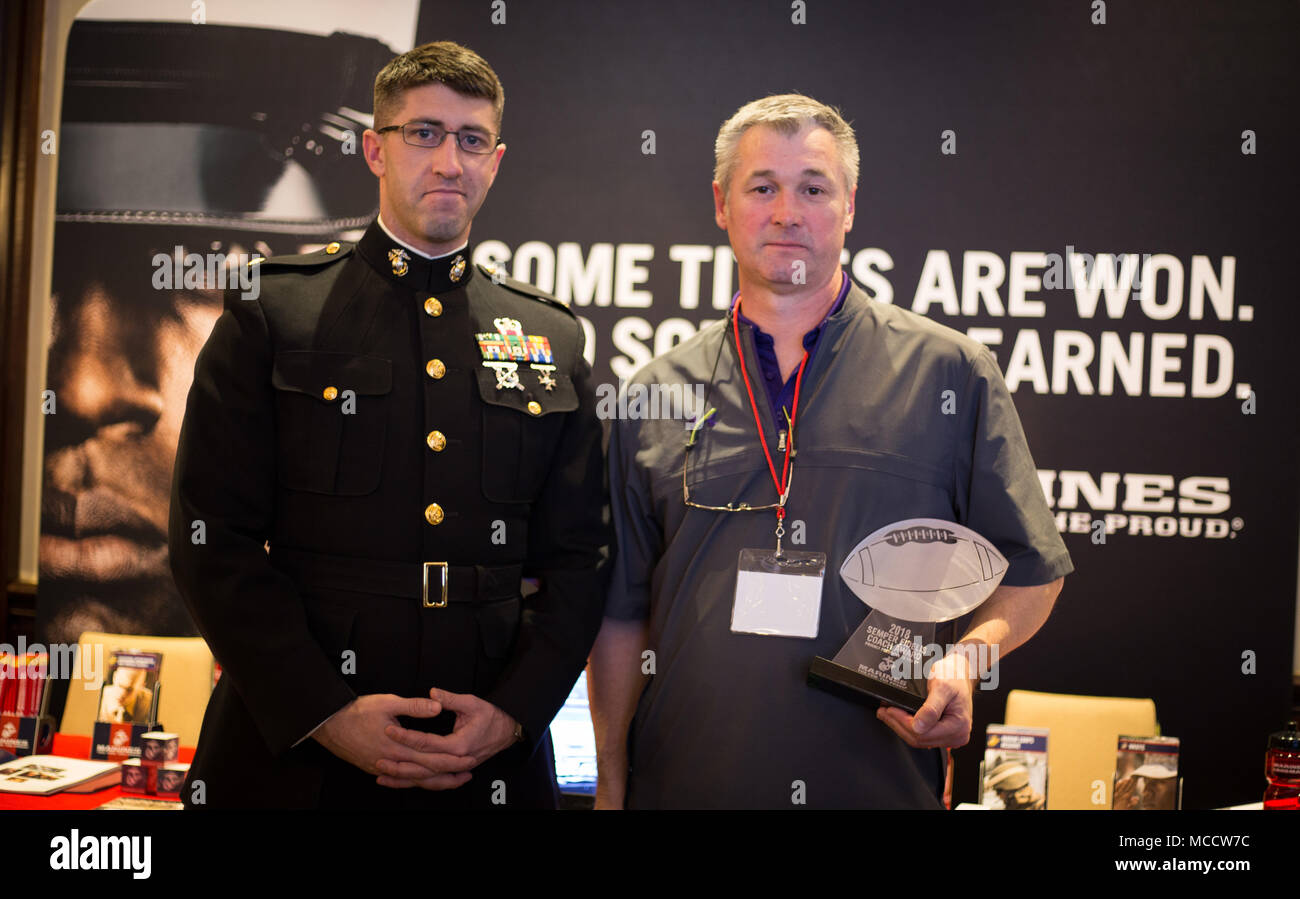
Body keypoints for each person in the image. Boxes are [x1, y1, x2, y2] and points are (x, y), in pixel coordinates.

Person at [588, 94, 1072, 809]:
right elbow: (619, 616)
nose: (787, 212)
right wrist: (610, 781)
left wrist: (965, 663)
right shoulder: (652, 393)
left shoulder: (950, 372)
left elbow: (1032, 572)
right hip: (685, 784)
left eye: (814, 188)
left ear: (849, 207)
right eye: (763, 187)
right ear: (722, 203)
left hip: (875, 785)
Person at [169, 41, 609, 808]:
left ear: (495, 162)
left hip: (484, 761)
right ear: (375, 149)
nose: (449, 161)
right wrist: (321, 710)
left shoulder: (551, 336)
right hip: (295, 757)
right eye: (424, 133)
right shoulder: (275, 310)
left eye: (471, 140)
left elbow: (582, 555)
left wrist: (513, 713)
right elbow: (210, 539)